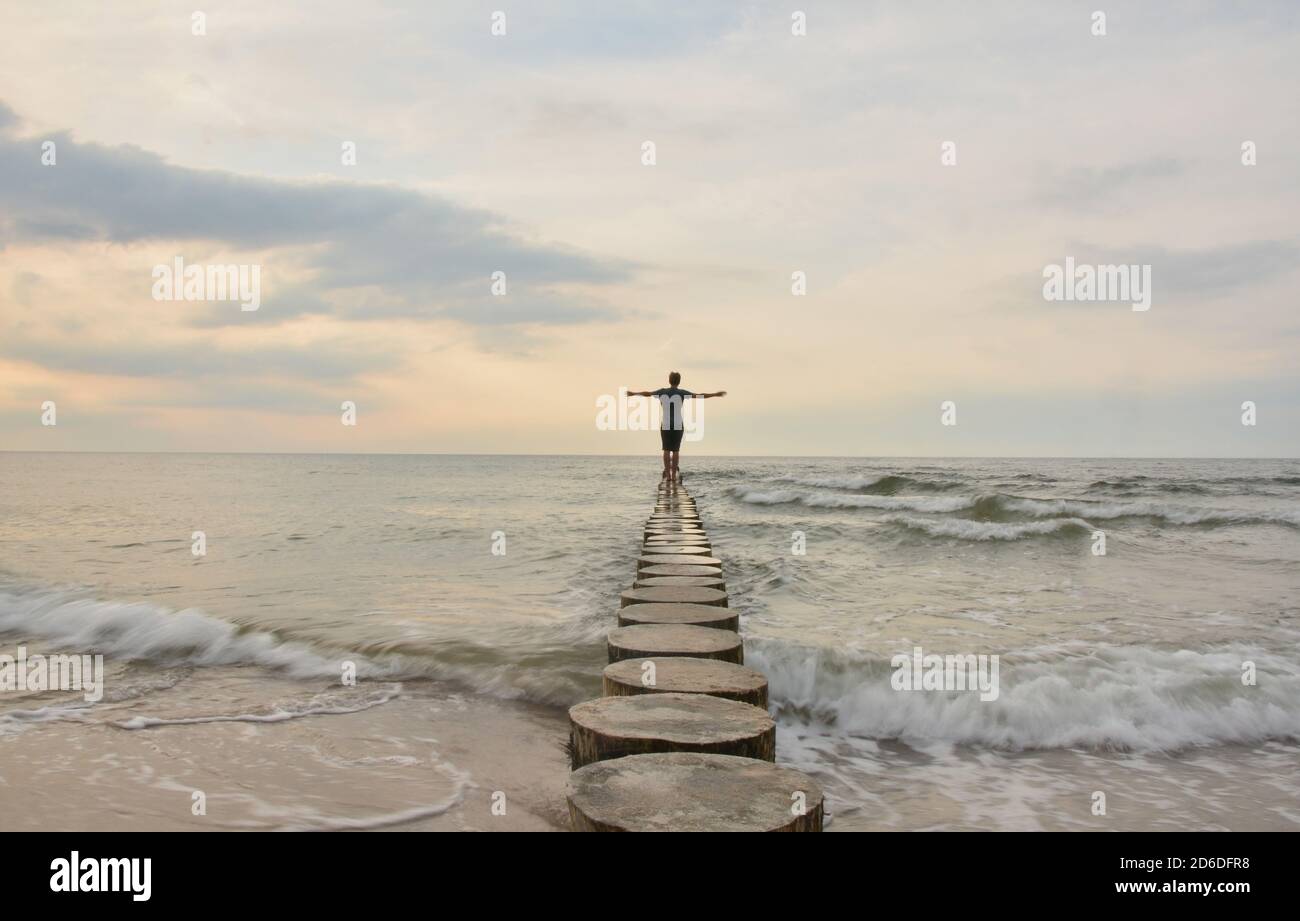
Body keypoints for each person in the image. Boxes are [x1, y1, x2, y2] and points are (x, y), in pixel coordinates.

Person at [630, 371, 726, 482]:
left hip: (665, 424)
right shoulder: (681, 393)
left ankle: (669, 477)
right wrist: (715, 394)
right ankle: (674, 475)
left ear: (669, 380)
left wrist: (633, 393)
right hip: (678, 425)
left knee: (666, 450)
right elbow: (699, 396)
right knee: (675, 451)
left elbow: (647, 393)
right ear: (679, 381)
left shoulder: (662, 392)